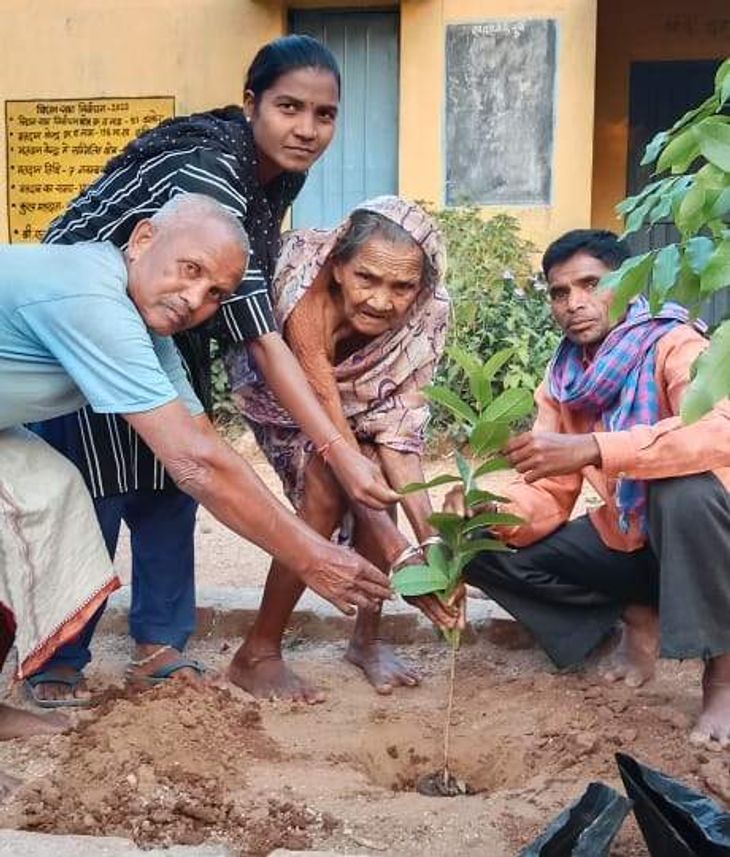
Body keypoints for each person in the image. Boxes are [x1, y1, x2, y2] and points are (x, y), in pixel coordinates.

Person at [27, 35, 401, 706]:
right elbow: (261, 336)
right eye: (290, 107)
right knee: (98, 484)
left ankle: (161, 638)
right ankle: (61, 652)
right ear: (250, 102)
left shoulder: (274, 174)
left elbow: (241, 315)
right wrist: (338, 464)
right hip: (98, 319)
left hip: (167, 316)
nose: (308, 129)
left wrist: (341, 457)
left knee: (176, 480)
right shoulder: (209, 168)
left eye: (325, 115)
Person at [0, 194, 392, 749]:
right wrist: (312, 556)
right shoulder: (89, 297)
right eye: (190, 270)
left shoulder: (147, 331)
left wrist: (312, 546)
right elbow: (193, 463)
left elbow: (207, 446)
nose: (194, 299)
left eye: (216, 294)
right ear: (141, 242)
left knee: (49, 495)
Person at [455, 229, 730, 748]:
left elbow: (718, 429)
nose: (574, 304)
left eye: (590, 284)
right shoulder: (563, 380)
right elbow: (550, 494)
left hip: (711, 540)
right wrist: (491, 510)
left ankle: (723, 676)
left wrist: (598, 448)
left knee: (683, 490)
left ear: (625, 285)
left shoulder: (676, 344)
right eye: (560, 293)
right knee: (481, 548)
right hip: (634, 536)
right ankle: (637, 617)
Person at [225, 196, 457, 702]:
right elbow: (328, 423)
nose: (381, 301)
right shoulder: (302, 295)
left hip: (361, 412)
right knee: (329, 487)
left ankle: (366, 643)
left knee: (378, 469)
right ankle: (258, 651)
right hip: (285, 397)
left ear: (421, 287)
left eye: (402, 286)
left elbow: (400, 431)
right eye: (366, 278)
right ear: (336, 266)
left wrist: (433, 547)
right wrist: (402, 557)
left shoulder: (428, 315)